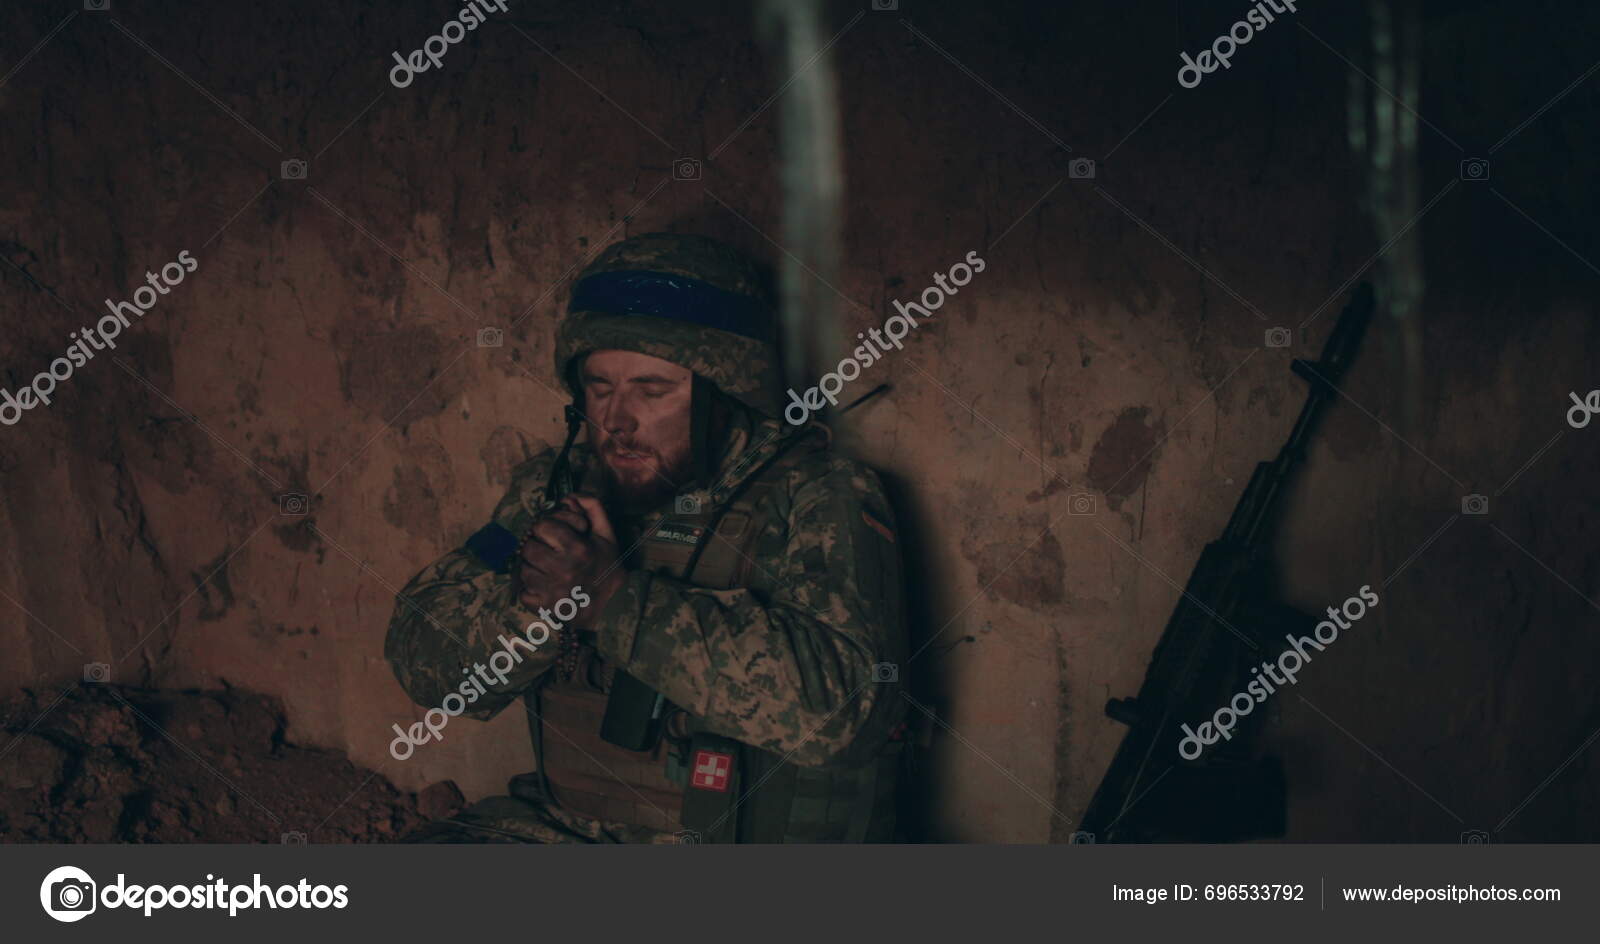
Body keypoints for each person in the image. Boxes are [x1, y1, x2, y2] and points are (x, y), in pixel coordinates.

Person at [385, 232, 908, 843]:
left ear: (724, 392)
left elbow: (847, 713)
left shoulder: (819, 494)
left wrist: (615, 602)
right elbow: (424, 661)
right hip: (570, 834)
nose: (615, 420)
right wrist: (532, 613)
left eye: (652, 391)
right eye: (600, 387)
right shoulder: (553, 488)